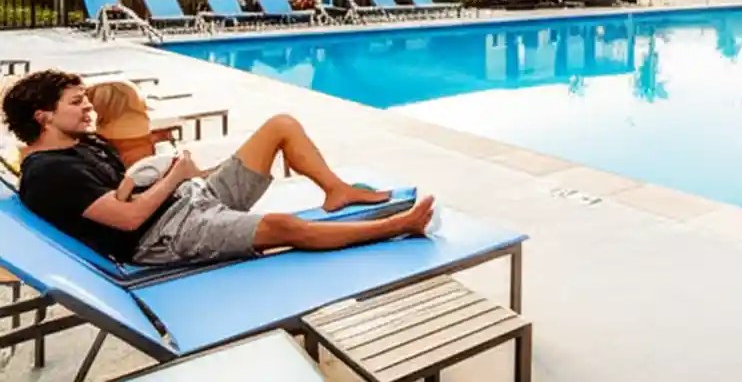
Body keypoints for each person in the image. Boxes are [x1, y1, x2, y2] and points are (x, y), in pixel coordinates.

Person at [4, 70, 433, 266]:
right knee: (283, 225)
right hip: (161, 236)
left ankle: (337, 190)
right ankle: (397, 226)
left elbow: (125, 191)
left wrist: (189, 176)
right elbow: (130, 217)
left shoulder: (86, 143)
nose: (88, 108)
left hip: (184, 202)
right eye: (76, 102)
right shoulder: (48, 174)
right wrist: (176, 176)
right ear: (43, 117)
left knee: (280, 125)